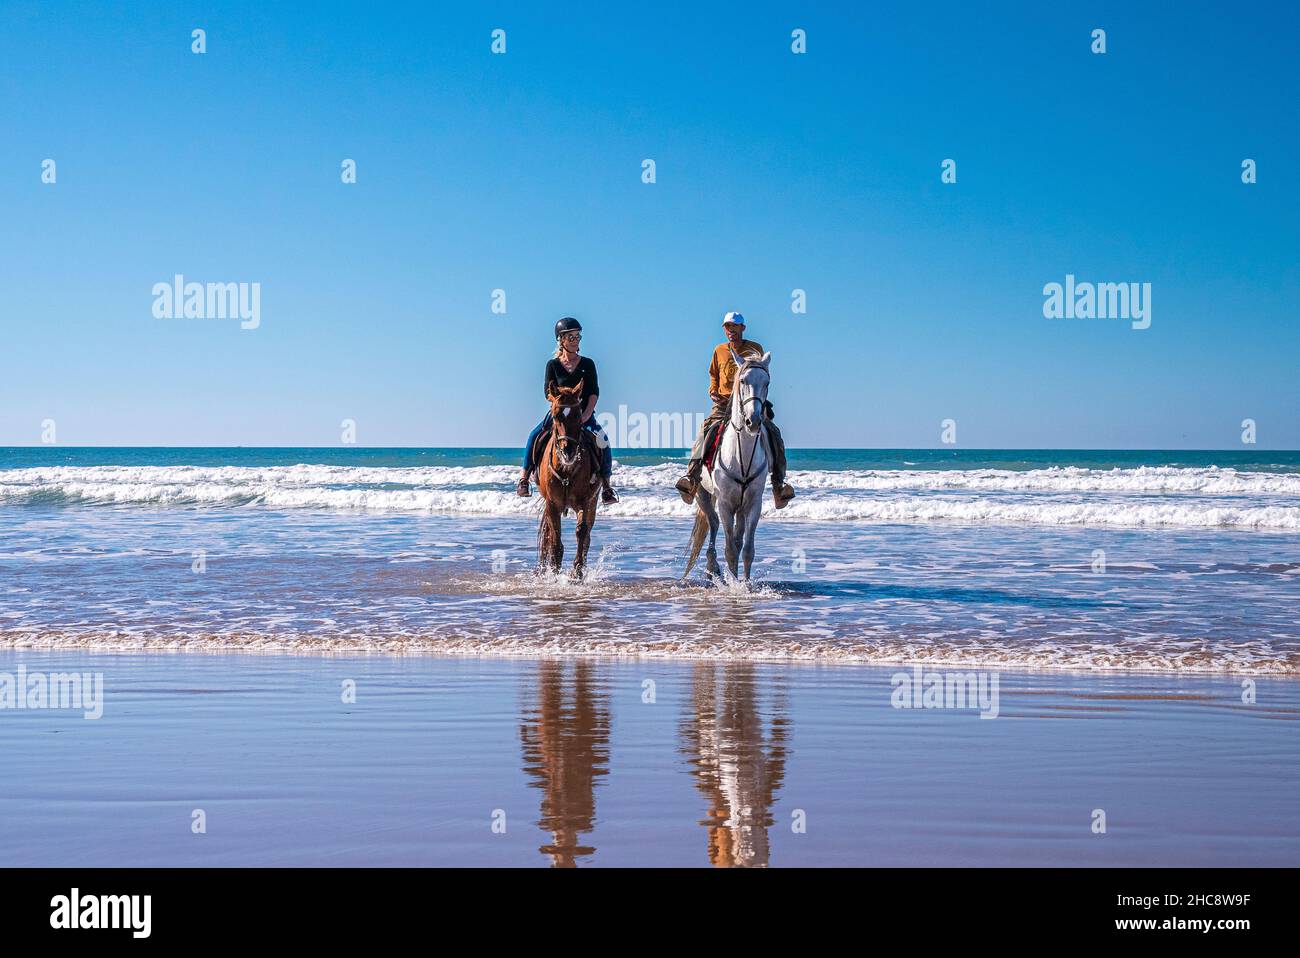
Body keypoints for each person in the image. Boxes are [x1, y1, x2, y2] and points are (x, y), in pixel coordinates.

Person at [675, 311, 795, 508]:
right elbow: (713, 374)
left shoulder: (754, 348)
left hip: (749, 403)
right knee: (705, 431)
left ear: (743, 328)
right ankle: (692, 478)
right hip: (723, 404)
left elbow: (761, 373)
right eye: (728, 327)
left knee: (774, 433)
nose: (731, 330)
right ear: (724, 329)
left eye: (735, 326)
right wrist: (712, 390)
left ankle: (778, 485)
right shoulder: (719, 350)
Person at [518, 317, 618, 504]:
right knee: (533, 435)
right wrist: (559, 402)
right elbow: (548, 391)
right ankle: (524, 479)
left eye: (578, 336)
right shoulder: (553, 365)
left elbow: (593, 392)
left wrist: (587, 414)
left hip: (582, 414)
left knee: (603, 441)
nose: (575, 340)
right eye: (571, 337)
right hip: (559, 413)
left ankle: (606, 486)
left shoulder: (588, 364)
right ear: (561, 340)